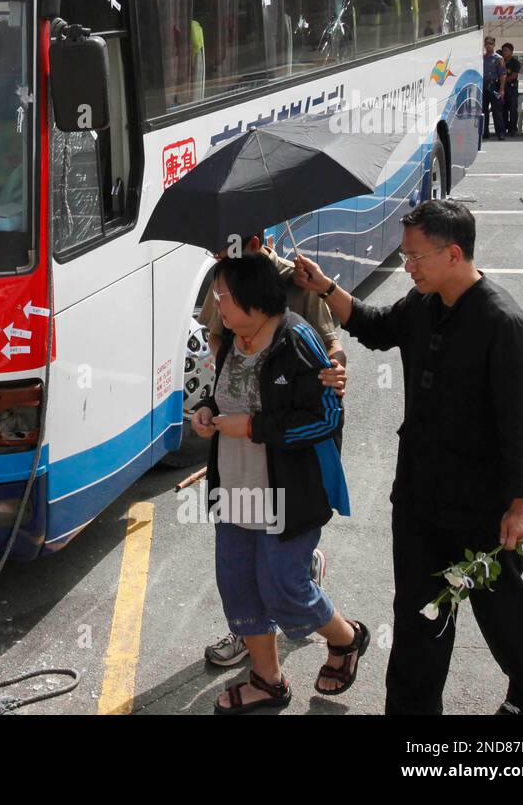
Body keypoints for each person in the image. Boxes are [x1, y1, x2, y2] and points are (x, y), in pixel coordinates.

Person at [292, 201, 523, 715]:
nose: (406, 265)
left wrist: (521, 506)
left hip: (482, 508)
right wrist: (325, 287)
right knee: (417, 614)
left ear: (454, 253)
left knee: (499, 609)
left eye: (415, 256)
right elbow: (373, 325)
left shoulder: (504, 324)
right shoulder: (423, 303)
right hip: (419, 496)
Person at [190, 253, 366, 713]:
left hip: (288, 493)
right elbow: (225, 393)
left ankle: (347, 639)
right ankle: (267, 680)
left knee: (284, 588)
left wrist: (253, 428)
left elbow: (325, 418)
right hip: (235, 488)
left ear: (251, 299)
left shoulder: (297, 342)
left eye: (221, 296)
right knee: (239, 584)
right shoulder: (231, 338)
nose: (216, 305)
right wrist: (208, 411)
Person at [481, 36, 504, 140]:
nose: (488, 45)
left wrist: (502, 89)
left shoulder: (498, 58)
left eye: (490, 43)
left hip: (494, 86)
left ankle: (500, 133)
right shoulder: (482, 57)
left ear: (494, 45)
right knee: (483, 110)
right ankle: (485, 133)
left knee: (497, 111)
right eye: (486, 43)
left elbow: (503, 75)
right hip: (483, 86)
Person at [498, 43, 520, 138]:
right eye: (503, 50)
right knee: (503, 110)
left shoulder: (515, 62)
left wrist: (503, 80)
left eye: (506, 50)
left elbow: (514, 76)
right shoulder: (499, 61)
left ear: (511, 51)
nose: (504, 52)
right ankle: (505, 128)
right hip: (502, 89)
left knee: (513, 110)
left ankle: (513, 129)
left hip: (511, 89)